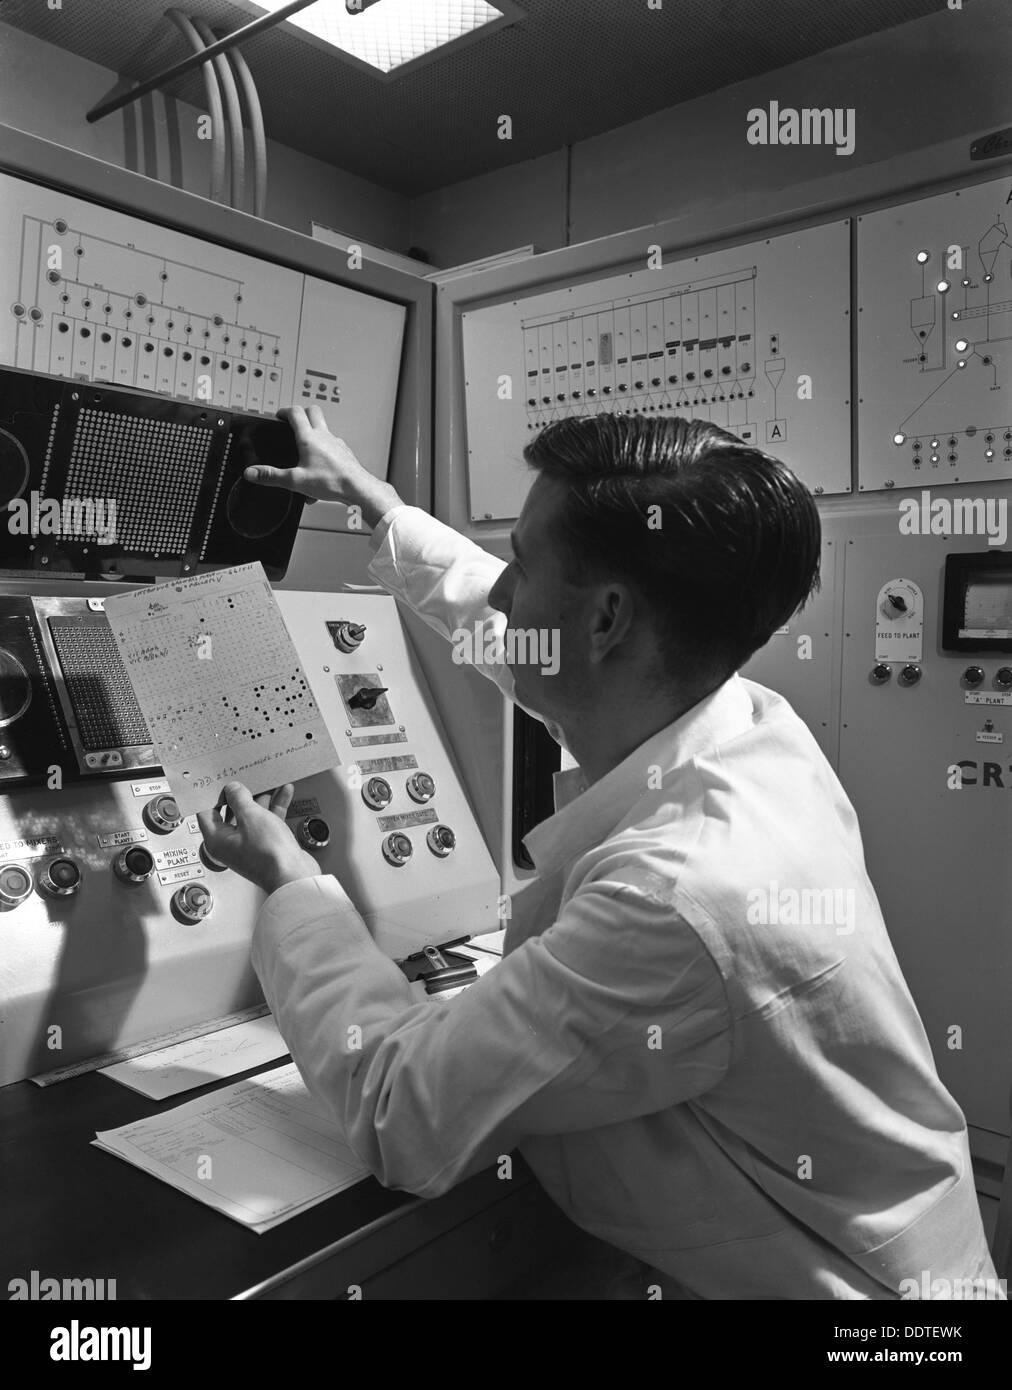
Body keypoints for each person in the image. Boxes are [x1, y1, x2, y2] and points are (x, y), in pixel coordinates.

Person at [198, 406, 1001, 1300]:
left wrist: (292, 882)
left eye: (526, 566)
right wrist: (379, 507)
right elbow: (523, 638)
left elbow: (403, 1113)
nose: (504, 591)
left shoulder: (680, 895)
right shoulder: (741, 722)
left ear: (609, 618)